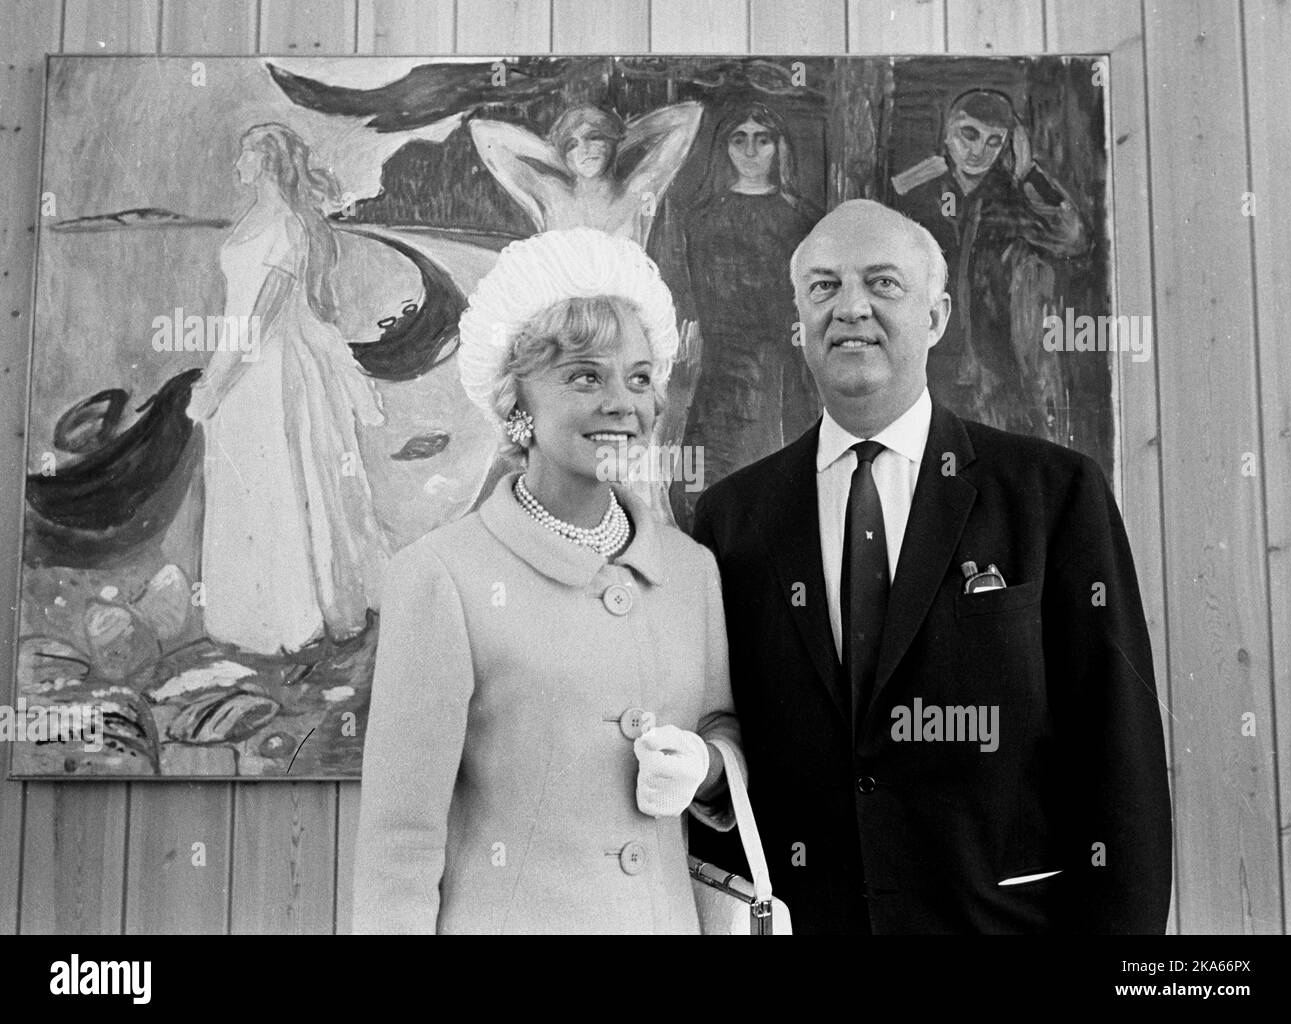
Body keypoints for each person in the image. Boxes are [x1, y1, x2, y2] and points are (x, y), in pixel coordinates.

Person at [688, 199, 1171, 934]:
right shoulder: (734, 517)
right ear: (798, 319)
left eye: (883, 283)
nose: (850, 307)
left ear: (937, 316)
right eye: (824, 287)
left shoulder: (1053, 493)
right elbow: (728, 744)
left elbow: (1119, 750)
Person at [352, 228, 743, 934]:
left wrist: (708, 767)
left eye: (640, 377)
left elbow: (720, 727)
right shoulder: (442, 577)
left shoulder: (692, 572)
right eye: (585, 376)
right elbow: (400, 841)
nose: (622, 402)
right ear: (516, 403)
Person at [186, 123, 390, 655]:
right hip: (246, 366)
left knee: (284, 478)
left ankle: (294, 617)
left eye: (246, 153)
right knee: (250, 481)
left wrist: (215, 382)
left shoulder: (289, 228)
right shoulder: (257, 219)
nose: (238, 163)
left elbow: (260, 320)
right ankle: (250, 614)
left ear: (269, 162)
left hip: (272, 373)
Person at [889, 89, 1089, 439]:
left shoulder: (1014, 198)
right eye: (969, 134)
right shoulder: (918, 193)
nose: (979, 151)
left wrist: (1029, 172)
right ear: (948, 132)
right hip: (931, 367)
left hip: (1000, 371)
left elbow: (1074, 238)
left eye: (994, 141)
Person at [678, 101, 822, 523]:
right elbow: (685, 291)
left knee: (780, 463)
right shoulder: (701, 219)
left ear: (780, 148)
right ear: (724, 148)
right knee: (714, 467)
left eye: (763, 139)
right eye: (739, 139)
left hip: (783, 362)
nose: (751, 150)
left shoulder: (804, 218)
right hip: (718, 362)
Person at [468, 102, 703, 249]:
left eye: (594, 137)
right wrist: (553, 151)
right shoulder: (552, 195)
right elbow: (483, 133)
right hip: (564, 318)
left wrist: (624, 136)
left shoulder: (637, 193)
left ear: (611, 141)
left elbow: (689, 116)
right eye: (572, 144)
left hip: (620, 315)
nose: (584, 150)